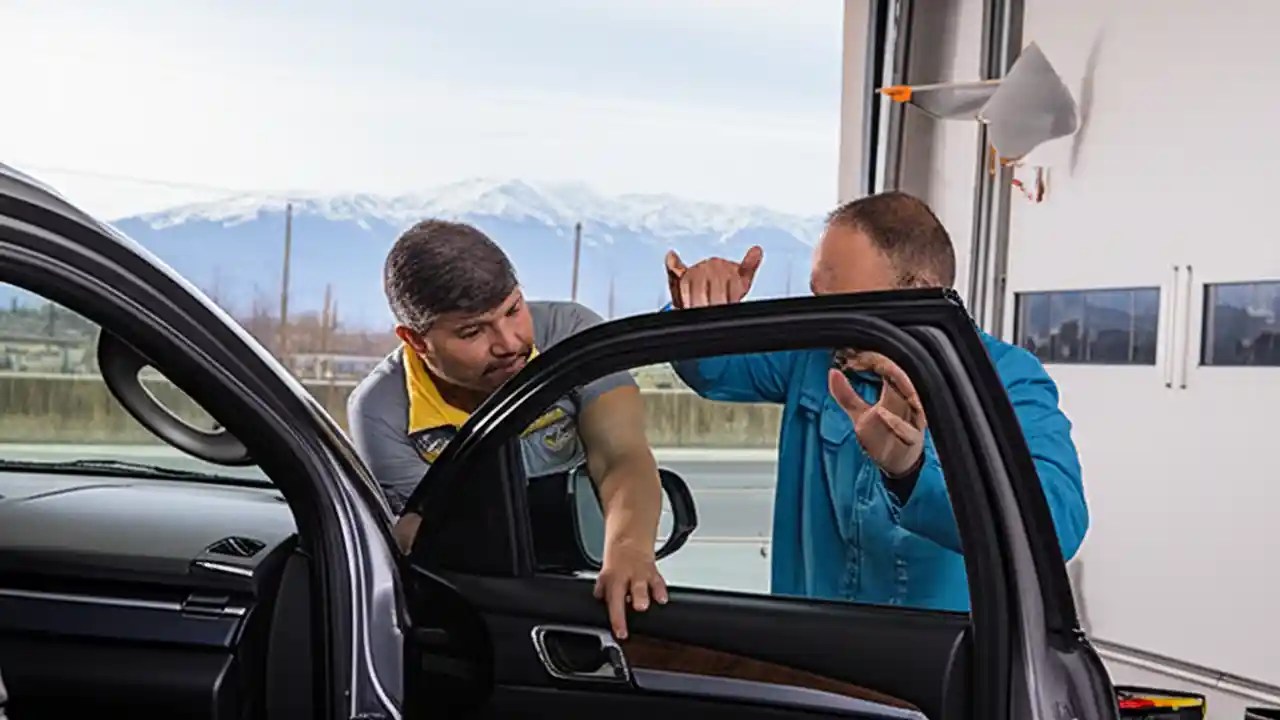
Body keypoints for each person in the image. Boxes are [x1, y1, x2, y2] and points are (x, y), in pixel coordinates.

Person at [663, 190, 1087, 612]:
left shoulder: (1003, 379)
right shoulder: (812, 356)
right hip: (807, 643)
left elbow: (1055, 529)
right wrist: (697, 311)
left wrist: (913, 474)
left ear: (920, 294)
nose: (826, 323)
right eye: (818, 301)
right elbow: (712, 369)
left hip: (941, 652)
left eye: (847, 306)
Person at [347, 219, 666, 638]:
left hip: (585, 582)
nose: (510, 342)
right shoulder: (379, 411)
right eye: (472, 331)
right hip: (479, 610)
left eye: (514, 310)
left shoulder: (574, 335)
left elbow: (621, 454)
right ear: (417, 340)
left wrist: (628, 550)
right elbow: (434, 541)